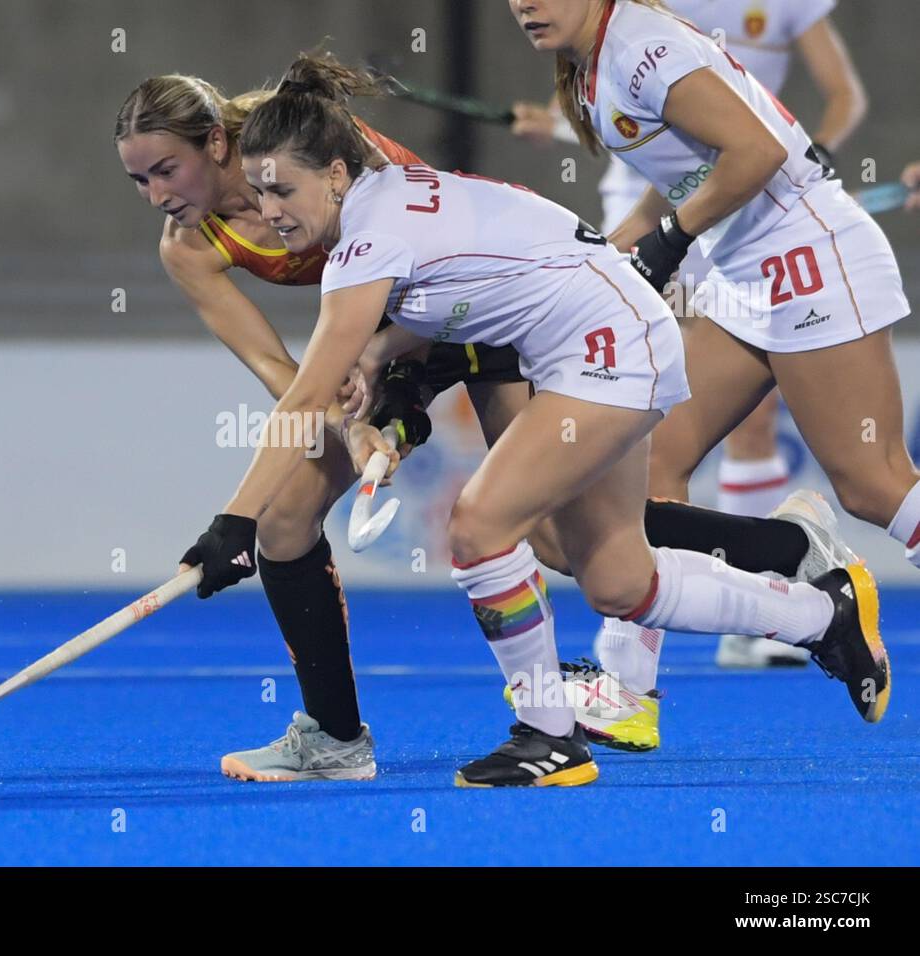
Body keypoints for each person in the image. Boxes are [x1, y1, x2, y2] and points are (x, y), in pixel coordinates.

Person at [176, 63, 890, 788]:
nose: (269, 212)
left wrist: (235, 520)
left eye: (283, 190)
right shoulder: (385, 194)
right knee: (618, 581)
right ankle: (821, 615)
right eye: (259, 192)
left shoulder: (364, 244)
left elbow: (303, 401)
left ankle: (548, 734)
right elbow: (459, 298)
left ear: (334, 174)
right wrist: (389, 360)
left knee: (480, 528)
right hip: (610, 336)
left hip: (601, 351)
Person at [115, 62, 533, 781]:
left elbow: (414, 242)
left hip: (468, 301)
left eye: (166, 170)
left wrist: (383, 386)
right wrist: (352, 425)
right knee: (283, 520)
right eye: (139, 182)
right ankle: (335, 740)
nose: (156, 196)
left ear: (217, 142)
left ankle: (782, 561)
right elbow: (283, 373)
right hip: (372, 339)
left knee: (561, 532)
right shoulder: (189, 248)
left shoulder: (305, 142)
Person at [509, 0, 915, 707]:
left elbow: (754, 151)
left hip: (808, 260)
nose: (523, 3)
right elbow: (684, 177)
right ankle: (627, 692)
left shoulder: (637, 46)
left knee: (874, 484)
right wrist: (612, 257)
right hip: (745, 276)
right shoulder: (589, 66)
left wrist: (670, 241)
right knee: (649, 462)